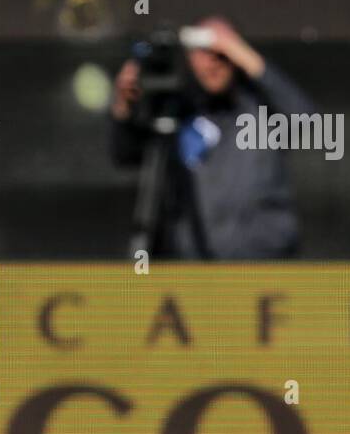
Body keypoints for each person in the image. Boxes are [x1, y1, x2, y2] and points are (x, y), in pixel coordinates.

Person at [109, 16, 315, 259]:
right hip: (194, 274)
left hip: (263, 269)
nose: (213, 62)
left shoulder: (262, 111)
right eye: (202, 52)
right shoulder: (175, 115)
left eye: (220, 54)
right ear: (188, 57)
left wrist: (240, 51)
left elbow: (309, 124)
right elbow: (125, 155)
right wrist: (123, 105)